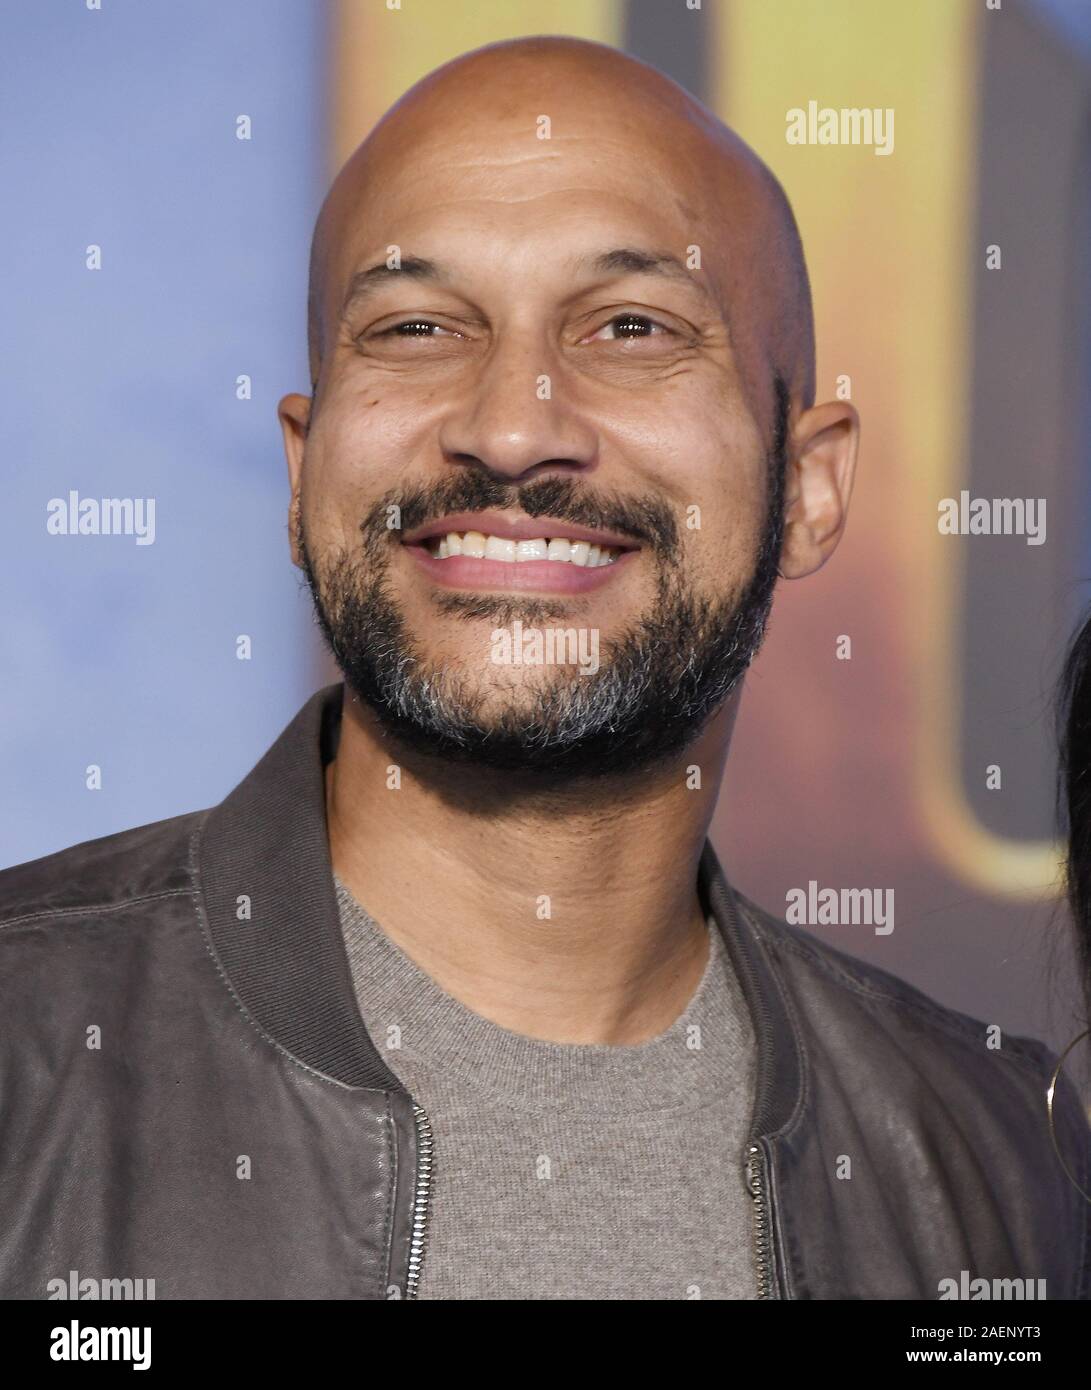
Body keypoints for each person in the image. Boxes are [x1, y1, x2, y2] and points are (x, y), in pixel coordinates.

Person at [1, 35, 1086, 1301]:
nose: (511, 425)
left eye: (631, 326)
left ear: (809, 485)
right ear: (300, 479)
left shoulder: (1016, 1176)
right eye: (413, 328)